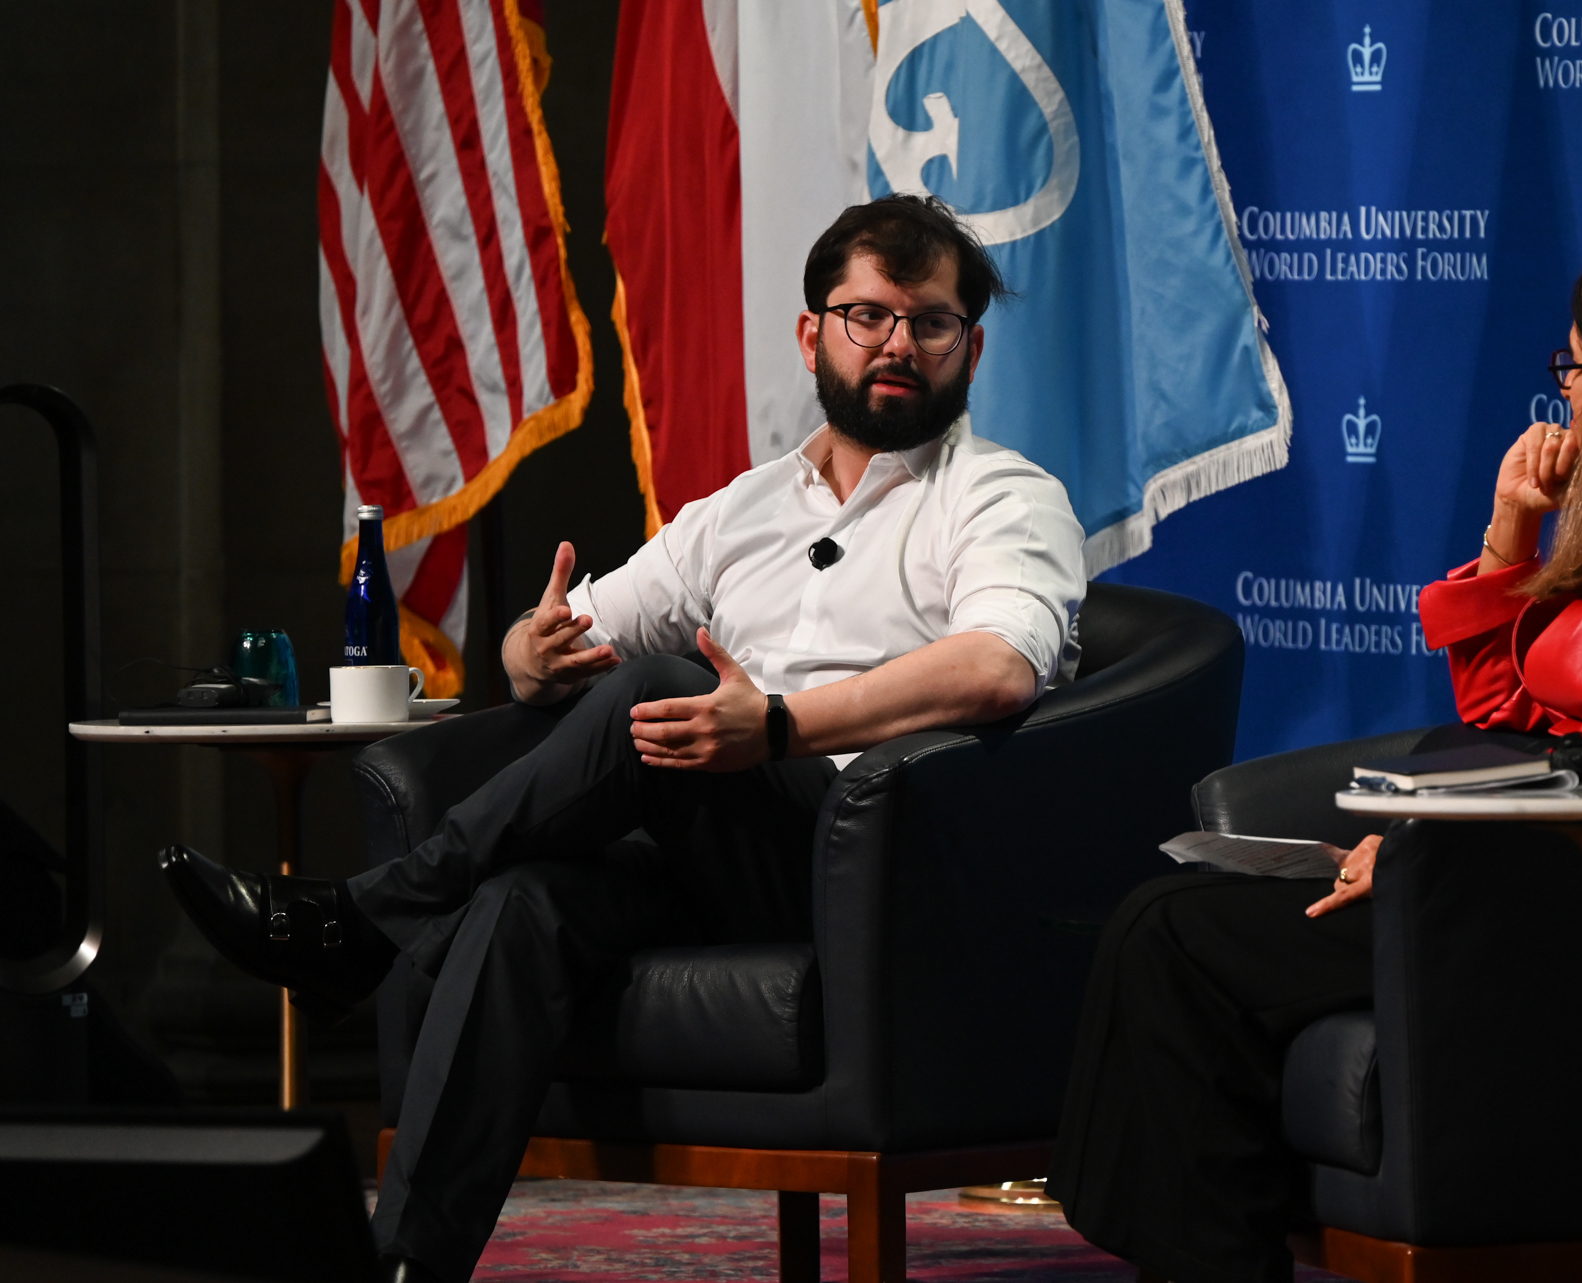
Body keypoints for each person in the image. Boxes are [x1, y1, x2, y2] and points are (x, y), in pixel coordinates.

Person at [160, 194, 1087, 1283]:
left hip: (876, 860)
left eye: (926, 323)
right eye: (866, 315)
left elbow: (997, 665)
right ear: (811, 333)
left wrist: (778, 727)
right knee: (519, 905)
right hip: (715, 855)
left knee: (657, 686)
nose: (895, 345)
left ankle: (366, 919)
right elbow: (571, 633)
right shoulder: (742, 511)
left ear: (968, 348)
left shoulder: (1001, 497)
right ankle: (407, 1264)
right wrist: (527, 651)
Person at [1047, 231, 1582, 1283]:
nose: (1562, 397)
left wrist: (1414, 853)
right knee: (1159, 919)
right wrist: (1507, 534)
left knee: (1174, 936)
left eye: (1572, 369)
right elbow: (1508, 708)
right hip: (1546, 873)